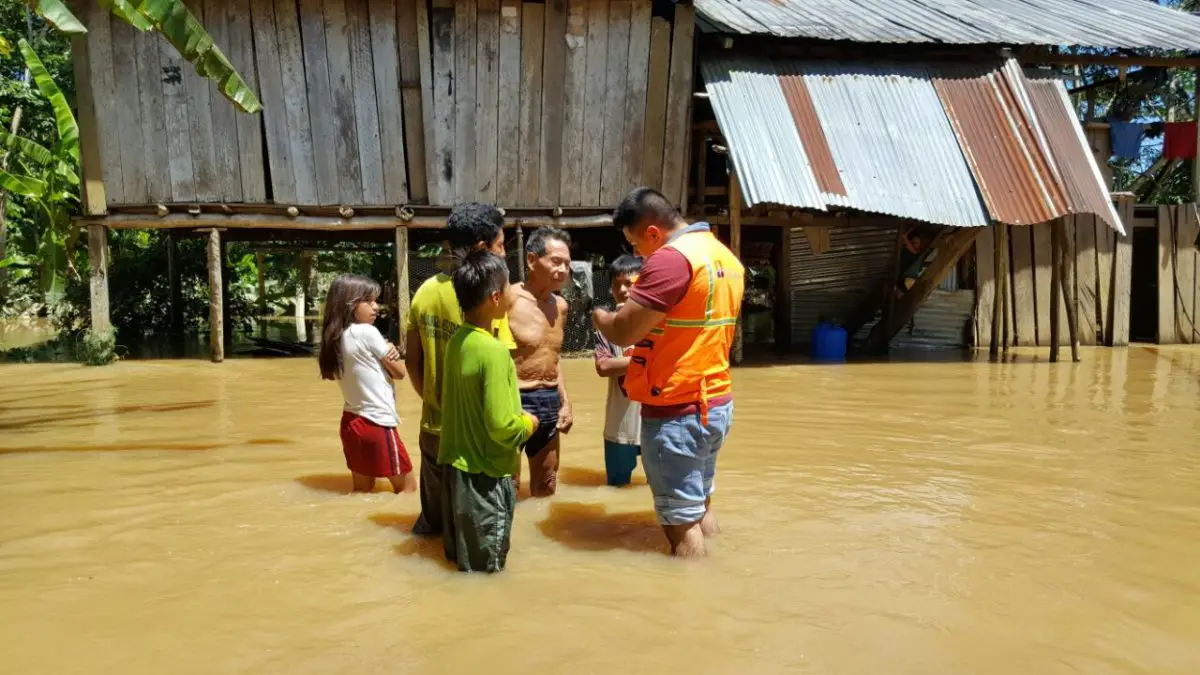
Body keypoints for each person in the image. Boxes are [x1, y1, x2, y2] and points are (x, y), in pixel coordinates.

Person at [592, 188, 745, 557]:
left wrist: (600, 317)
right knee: (699, 502)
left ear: (652, 232)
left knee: (680, 523)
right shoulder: (723, 256)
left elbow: (624, 331)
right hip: (715, 401)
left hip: (677, 409)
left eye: (635, 244)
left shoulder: (671, 260)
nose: (637, 255)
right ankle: (716, 569)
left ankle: (692, 587)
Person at [404, 203, 517, 536]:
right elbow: (503, 370)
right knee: (478, 529)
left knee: (434, 524)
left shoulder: (424, 292)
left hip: (433, 426)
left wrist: (434, 400)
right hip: (477, 438)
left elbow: (412, 362)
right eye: (501, 245)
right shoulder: (490, 298)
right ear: (482, 247)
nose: (504, 253)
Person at [439, 250, 538, 573]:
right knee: (486, 574)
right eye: (509, 286)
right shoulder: (494, 352)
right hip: (485, 479)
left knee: (463, 569)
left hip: (455, 472)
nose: (513, 292)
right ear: (495, 297)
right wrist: (529, 423)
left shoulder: (457, 341)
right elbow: (502, 427)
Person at [318, 274, 416, 494]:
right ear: (349, 305)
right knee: (408, 490)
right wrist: (390, 348)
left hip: (351, 423)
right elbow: (400, 373)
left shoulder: (336, 337)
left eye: (375, 301)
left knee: (362, 491)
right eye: (368, 301)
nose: (376, 307)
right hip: (376, 423)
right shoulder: (367, 332)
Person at [508, 226, 573, 497]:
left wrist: (565, 402)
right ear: (532, 260)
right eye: (556, 261)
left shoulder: (560, 306)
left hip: (549, 400)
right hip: (514, 399)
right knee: (508, 487)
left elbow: (553, 358)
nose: (563, 270)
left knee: (547, 484)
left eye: (567, 263)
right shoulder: (508, 298)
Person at [593, 254, 643, 487]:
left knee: (660, 489)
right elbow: (603, 366)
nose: (622, 290)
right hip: (620, 423)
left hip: (655, 421)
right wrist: (649, 359)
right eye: (616, 285)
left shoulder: (658, 320)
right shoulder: (607, 325)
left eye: (629, 283)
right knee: (616, 487)